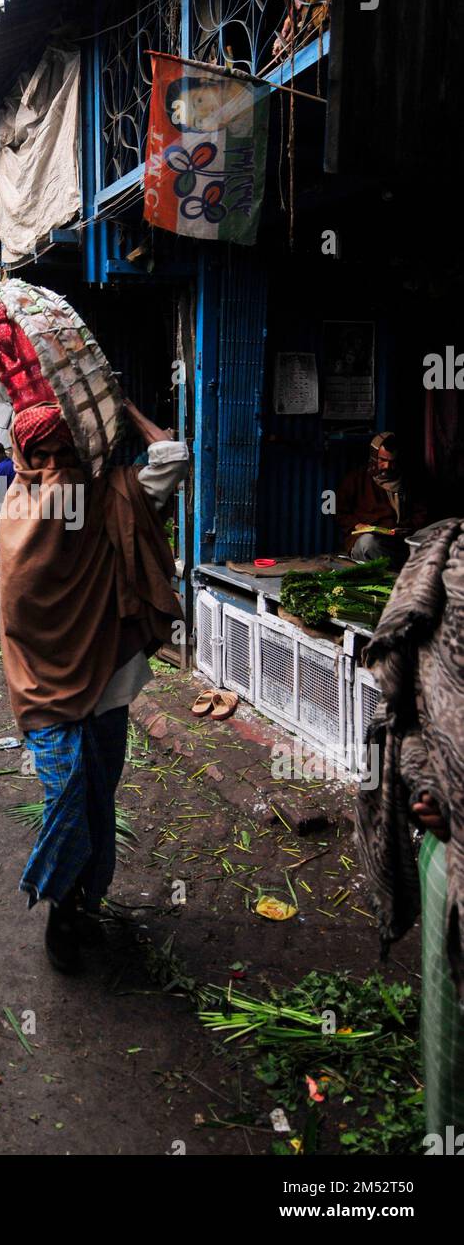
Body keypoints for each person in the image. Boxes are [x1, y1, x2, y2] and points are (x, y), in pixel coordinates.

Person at [0, 399, 188, 973]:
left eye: (66, 452)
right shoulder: (18, 508)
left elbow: (172, 456)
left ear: (84, 451)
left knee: (98, 799)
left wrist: (120, 409)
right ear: (24, 458)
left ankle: (81, 906)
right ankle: (57, 897)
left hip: (107, 679)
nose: (55, 467)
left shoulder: (113, 497)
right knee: (68, 795)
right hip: (44, 687)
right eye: (42, 455)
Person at [354, 520, 464, 1142]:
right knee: (452, 1078)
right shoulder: (448, 568)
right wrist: (424, 781)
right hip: (454, 862)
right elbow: (410, 704)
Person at [336, 432, 428, 565]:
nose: (388, 467)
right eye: (383, 460)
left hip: (402, 540)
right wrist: (357, 525)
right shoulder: (356, 479)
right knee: (368, 544)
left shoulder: (410, 481)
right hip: (371, 540)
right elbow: (340, 512)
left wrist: (407, 528)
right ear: (374, 457)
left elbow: (421, 512)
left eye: (392, 462)